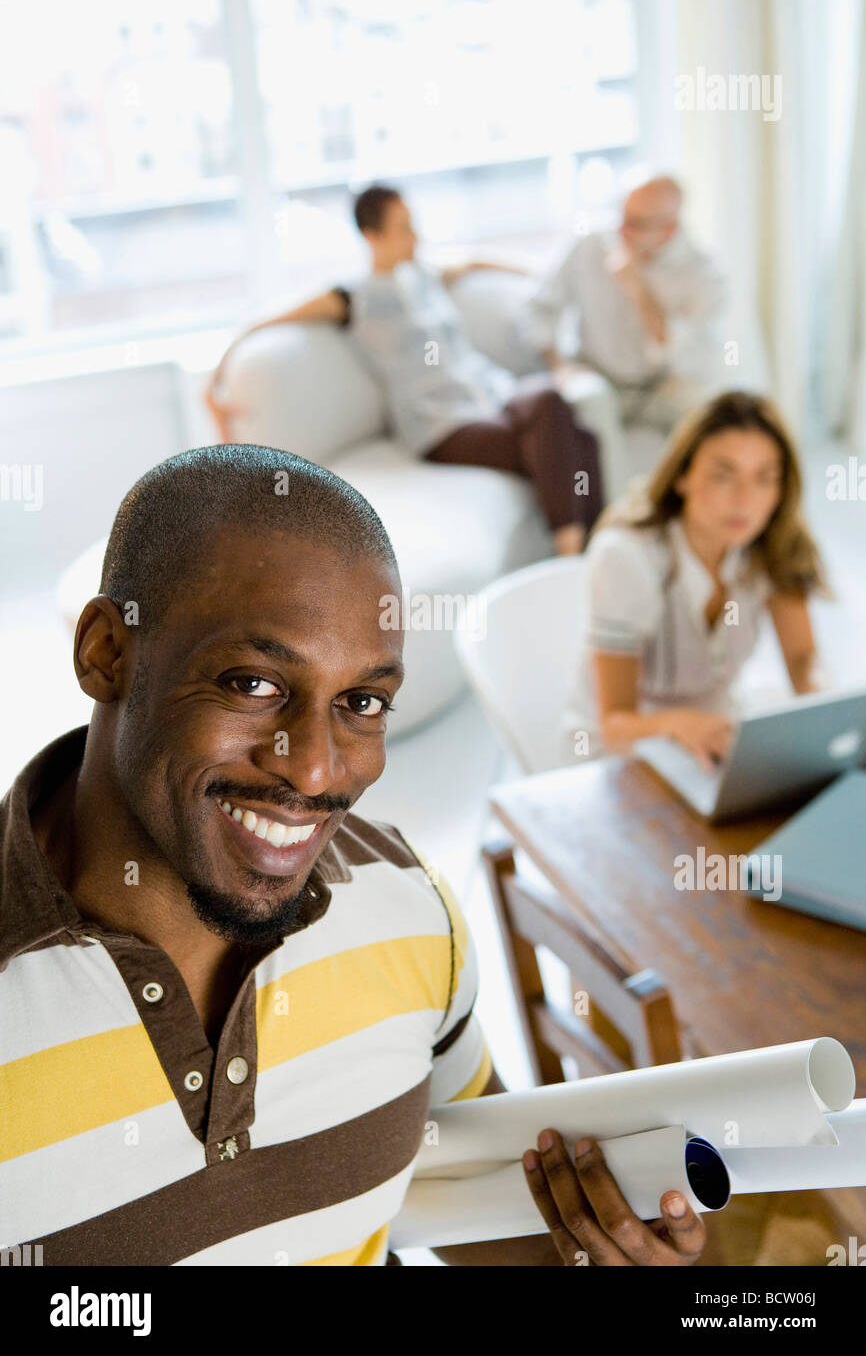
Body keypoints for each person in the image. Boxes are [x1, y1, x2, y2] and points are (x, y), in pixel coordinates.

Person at [0, 444, 704, 1267]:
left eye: (362, 702)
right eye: (254, 684)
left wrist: (600, 1253)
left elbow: (492, 1211)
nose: (317, 769)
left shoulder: (408, 904)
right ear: (105, 654)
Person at [205, 184, 604, 555]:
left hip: (491, 397)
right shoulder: (353, 297)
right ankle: (572, 556)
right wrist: (213, 382)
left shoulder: (424, 276)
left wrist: (546, 276)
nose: (415, 237)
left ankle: (583, 556)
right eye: (403, 229)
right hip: (442, 426)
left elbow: (476, 261)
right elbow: (259, 323)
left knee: (561, 412)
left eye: (414, 226)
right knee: (566, 430)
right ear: (371, 235)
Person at [562, 390, 828, 768]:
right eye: (724, 476)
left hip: (715, 746)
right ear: (682, 476)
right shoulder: (627, 556)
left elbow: (803, 658)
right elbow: (614, 725)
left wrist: (825, 701)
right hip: (618, 756)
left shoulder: (770, 544)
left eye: (764, 479)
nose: (744, 500)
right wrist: (682, 726)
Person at [526, 175, 727, 437]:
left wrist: (637, 287)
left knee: (703, 409)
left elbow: (687, 357)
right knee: (585, 397)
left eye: (637, 223)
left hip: (660, 386)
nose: (621, 230)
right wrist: (559, 365)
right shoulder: (590, 245)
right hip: (599, 378)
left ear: (670, 229)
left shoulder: (703, 274)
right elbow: (539, 308)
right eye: (622, 216)